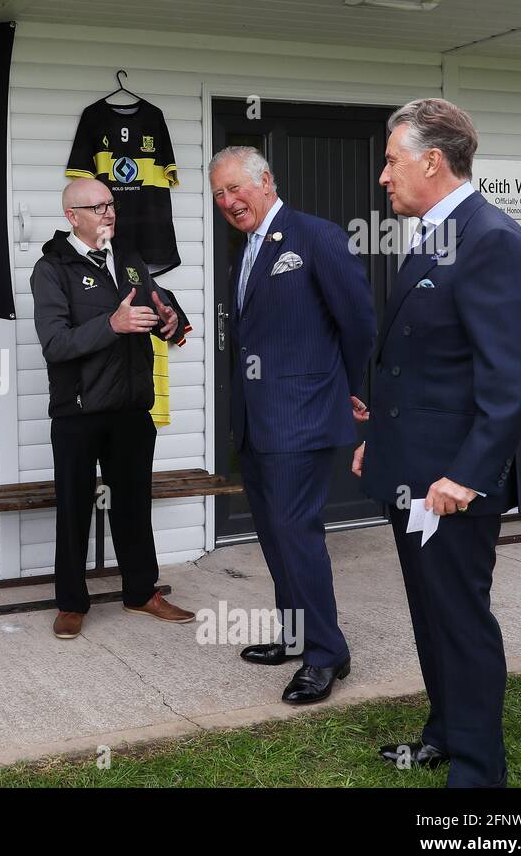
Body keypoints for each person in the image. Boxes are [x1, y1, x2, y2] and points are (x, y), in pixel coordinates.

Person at [355, 99, 521, 787]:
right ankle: (444, 732)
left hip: (454, 483)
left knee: (461, 621)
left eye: (391, 160)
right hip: (415, 467)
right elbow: (424, 360)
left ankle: (478, 771)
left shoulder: (490, 237)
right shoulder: (437, 231)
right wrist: (381, 438)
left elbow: (511, 375)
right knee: (430, 613)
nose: (383, 176)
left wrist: (466, 475)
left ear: (433, 161)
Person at [210, 146, 375, 704]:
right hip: (257, 426)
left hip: (301, 421)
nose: (229, 201)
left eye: (237, 188)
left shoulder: (316, 237)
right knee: (277, 537)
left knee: (298, 538)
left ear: (267, 182)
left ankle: (327, 655)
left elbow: (358, 322)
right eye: (218, 195)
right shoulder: (246, 251)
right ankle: (297, 635)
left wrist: (351, 390)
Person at [31, 177, 195, 639]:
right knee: (74, 508)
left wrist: (169, 319)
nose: (109, 212)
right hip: (78, 413)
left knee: (133, 506)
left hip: (131, 408)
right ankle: (70, 603)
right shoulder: (51, 269)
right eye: (98, 206)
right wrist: (113, 323)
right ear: (72, 217)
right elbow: (55, 344)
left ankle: (142, 593)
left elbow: (159, 306)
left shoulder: (129, 260)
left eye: (111, 204)